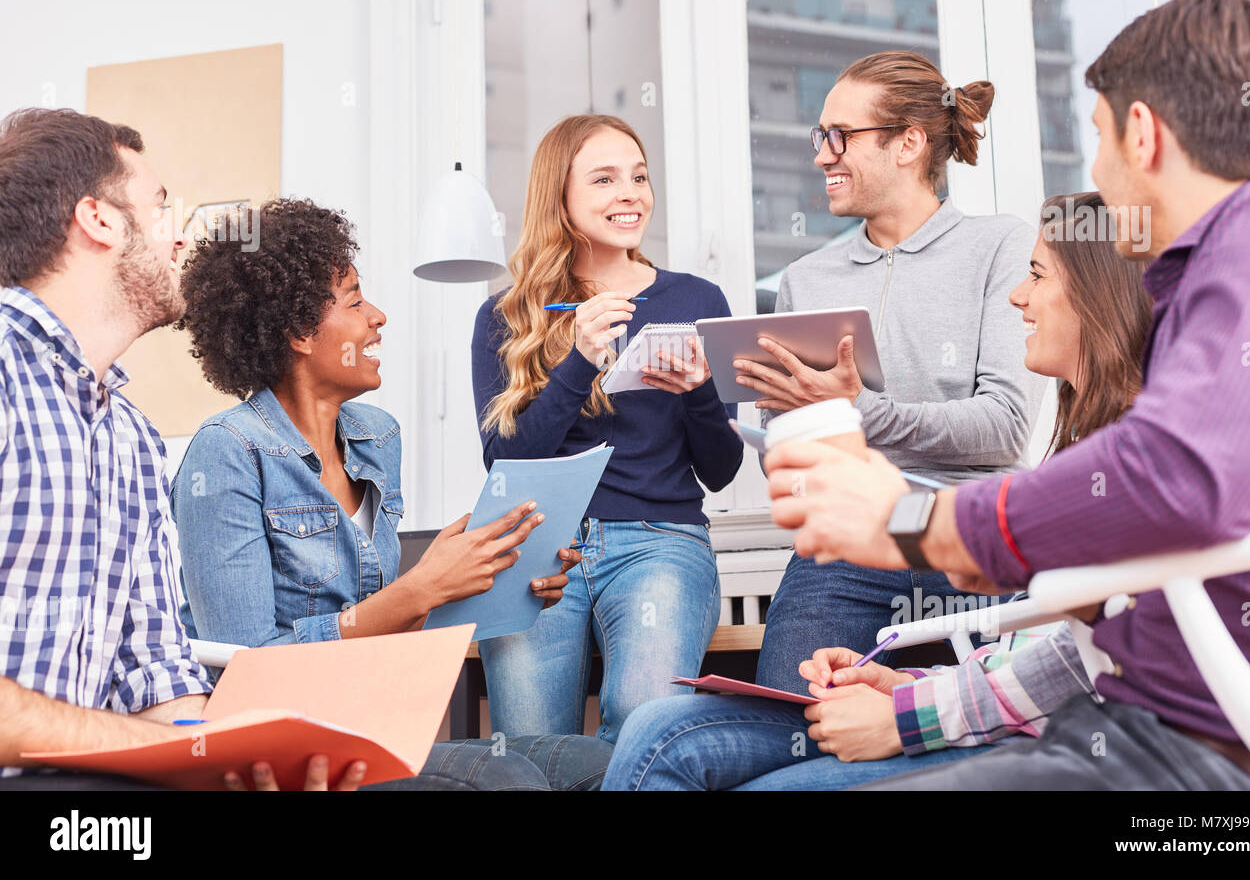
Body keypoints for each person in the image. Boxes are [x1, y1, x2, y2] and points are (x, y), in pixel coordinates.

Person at [766, 0, 1250, 791]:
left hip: (1187, 759)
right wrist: (920, 689)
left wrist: (911, 521)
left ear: (1143, 134)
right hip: (1132, 725)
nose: (1097, 173)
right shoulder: (1219, 270)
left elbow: (1177, 479)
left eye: (1097, 139)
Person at [602, 192, 1152, 789]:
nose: (1018, 296)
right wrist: (904, 687)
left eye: (1038, 274)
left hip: (1054, 745)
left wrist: (906, 716)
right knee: (659, 727)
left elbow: (1084, 665)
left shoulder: (1139, 454)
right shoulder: (1086, 450)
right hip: (997, 708)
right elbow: (1051, 649)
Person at [173, 197, 613, 790]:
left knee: (604, 764)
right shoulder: (227, 452)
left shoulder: (376, 437)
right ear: (299, 332)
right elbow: (251, 666)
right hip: (290, 755)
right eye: (355, 300)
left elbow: (390, 627)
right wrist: (421, 587)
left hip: (376, 725)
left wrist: (495, 575)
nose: (377, 317)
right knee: (506, 777)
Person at [0, 107, 356, 790]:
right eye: (161, 207)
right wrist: (153, 751)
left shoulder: (129, 437)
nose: (181, 235)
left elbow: (155, 673)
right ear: (98, 220)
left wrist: (228, 763)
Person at [737, 52, 1047, 694]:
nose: (822, 156)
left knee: (977, 735)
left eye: (840, 137)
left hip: (966, 535)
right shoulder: (805, 279)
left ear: (908, 143)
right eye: (819, 137)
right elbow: (782, 456)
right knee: (792, 714)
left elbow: (1005, 428)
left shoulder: (1001, 247)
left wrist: (856, 412)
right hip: (846, 547)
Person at [471, 114, 744, 743]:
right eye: (604, 179)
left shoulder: (696, 300)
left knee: (642, 728)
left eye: (639, 177)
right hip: (535, 546)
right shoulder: (506, 315)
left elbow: (722, 471)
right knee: (533, 754)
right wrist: (578, 361)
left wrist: (699, 391)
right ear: (560, 199)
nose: (631, 194)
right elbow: (505, 462)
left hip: (660, 542)